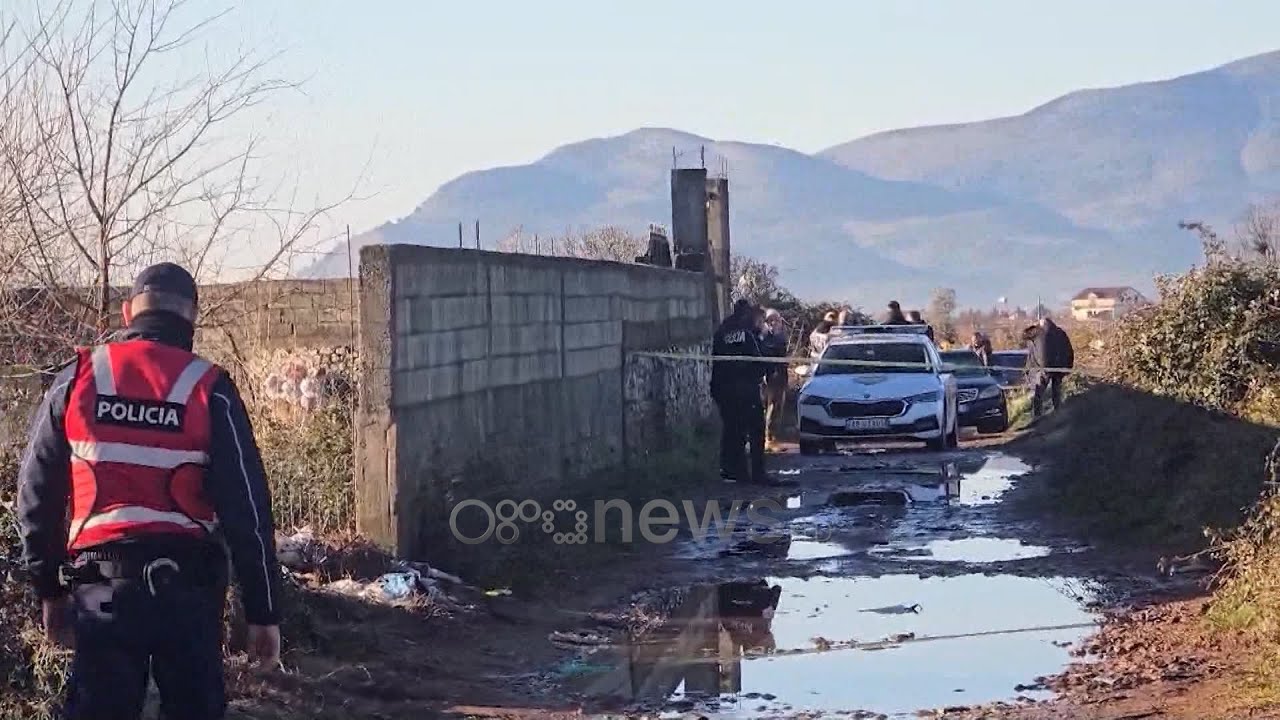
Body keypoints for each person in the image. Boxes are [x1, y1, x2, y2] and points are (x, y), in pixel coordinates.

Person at [17, 263, 283, 720]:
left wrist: (48, 588)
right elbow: (248, 512)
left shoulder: (78, 377)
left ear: (127, 313)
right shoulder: (209, 387)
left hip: (101, 593)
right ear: (192, 319)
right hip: (188, 594)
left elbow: (35, 493)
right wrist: (263, 611)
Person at [711, 299, 768, 483]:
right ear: (746, 314)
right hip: (746, 389)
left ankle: (734, 471)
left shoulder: (722, 331)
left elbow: (716, 360)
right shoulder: (748, 333)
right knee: (756, 430)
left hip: (724, 389)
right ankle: (758, 473)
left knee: (732, 430)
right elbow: (759, 361)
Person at [1027, 316, 1075, 417]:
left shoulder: (1038, 334)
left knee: (1039, 392)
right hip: (1059, 367)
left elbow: (1033, 352)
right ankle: (1058, 414)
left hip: (1043, 367)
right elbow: (1069, 350)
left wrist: (1031, 367)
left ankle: (1037, 416)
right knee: (1056, 392)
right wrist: (1068, 366)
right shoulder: (1061, 333)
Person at [759, 309, 789, 450]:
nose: (774, 323)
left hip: (780, 377)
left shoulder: (779, 336)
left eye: (776, 320)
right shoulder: (766, 338)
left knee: (776, 408)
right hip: (771, 377)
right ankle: (769, 439)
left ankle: (771, 438)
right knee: (772, 408)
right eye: (770, 320)